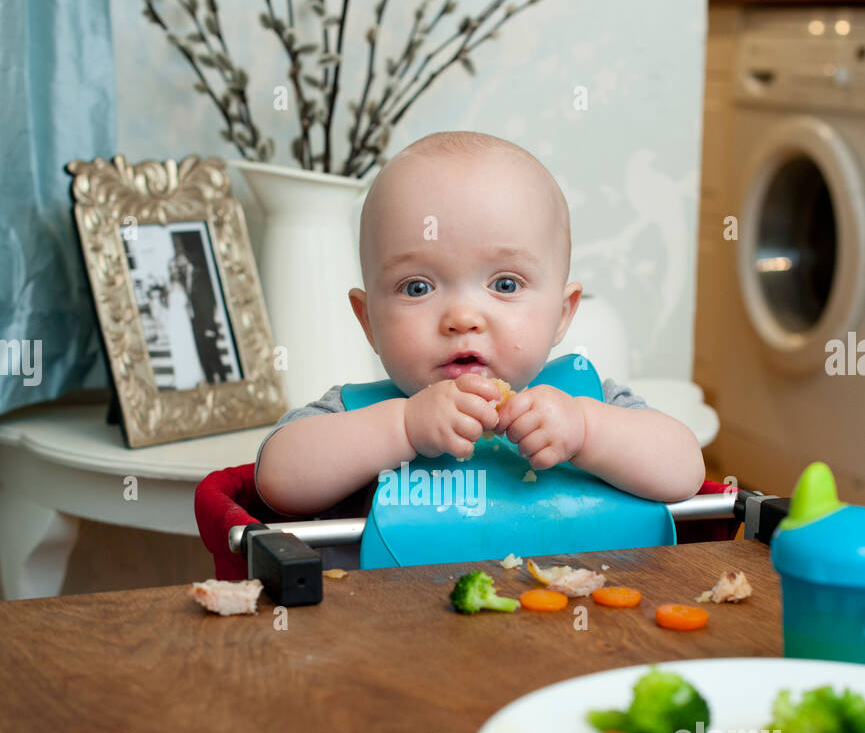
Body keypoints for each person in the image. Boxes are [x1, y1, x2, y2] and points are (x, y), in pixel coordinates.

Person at [254, 130, 705, 567]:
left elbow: (685, 470)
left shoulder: (588, 399)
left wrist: (587, 431)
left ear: (563, 313)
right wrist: (403, 428)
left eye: (505, 284)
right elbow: (277, 480)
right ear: (368, 320)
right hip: (391, 636)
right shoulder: (352, 415)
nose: (463, 318)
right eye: (417, 287)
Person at [163, 252, 205, 390]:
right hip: (175, 321)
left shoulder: (184, 283)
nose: (174, 270)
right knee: (180, 350)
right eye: (172, 268)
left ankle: (194, 376)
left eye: (176, 267)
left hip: (184, 321)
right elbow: (165, 304)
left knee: (189, 348)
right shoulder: (168, 286)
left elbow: (189, 303)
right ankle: (183, 378)